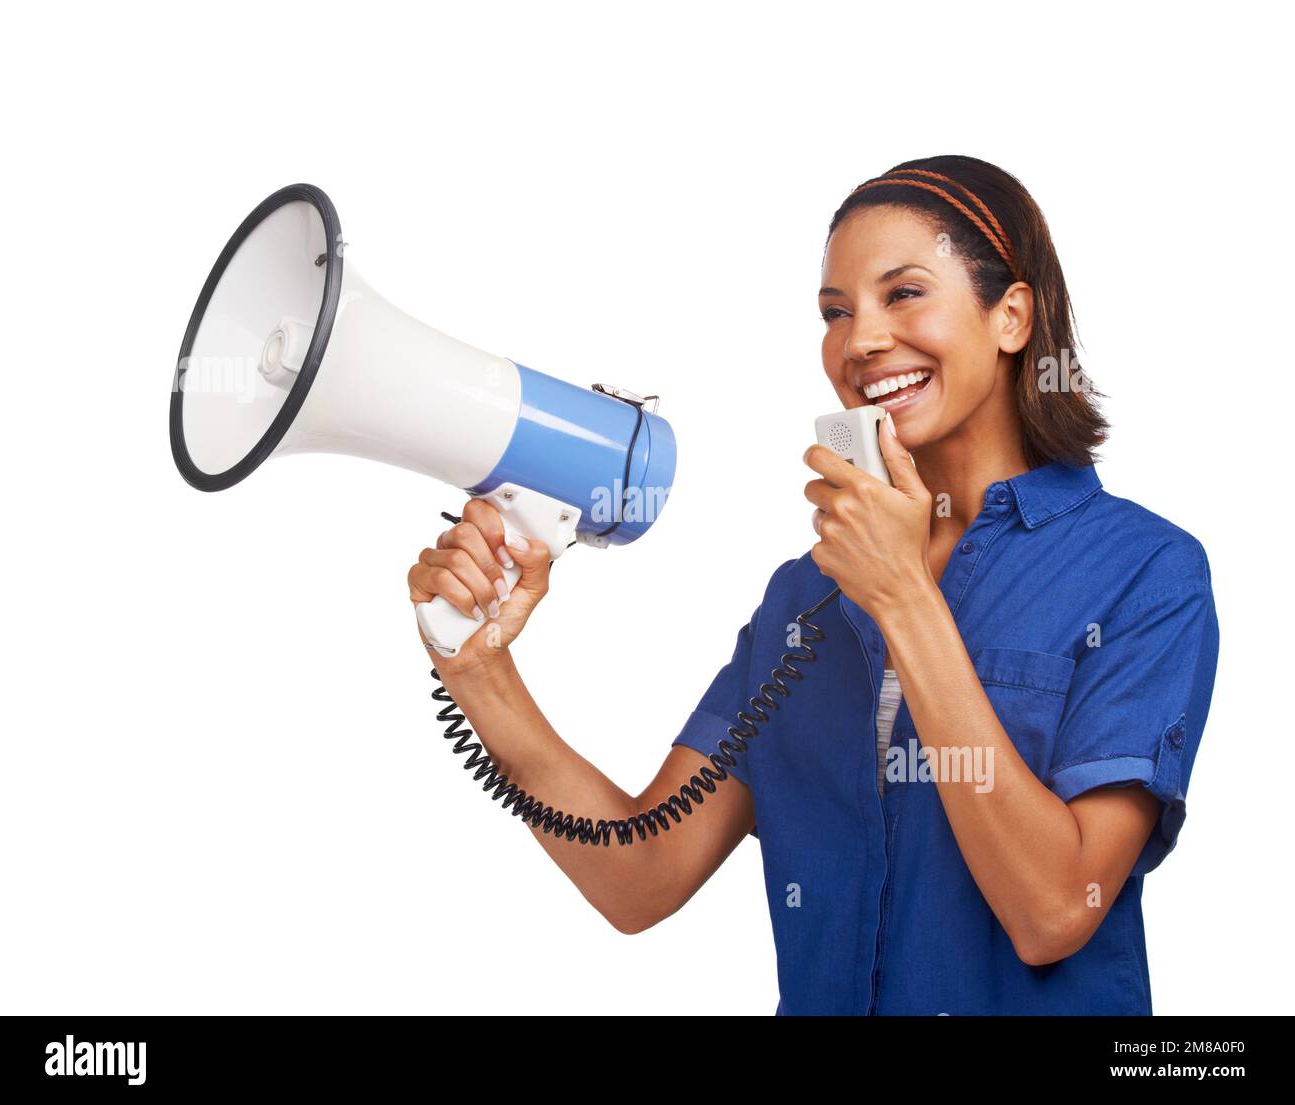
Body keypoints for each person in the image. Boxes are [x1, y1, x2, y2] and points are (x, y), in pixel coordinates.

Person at [406, 155, 1220, 1015]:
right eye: (835, 312)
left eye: (903, 293)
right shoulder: (806, 599)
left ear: (1011, 315)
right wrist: (479, 672)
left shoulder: (1146, 572)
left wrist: (906, 596)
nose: (859, 340)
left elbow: (1056, 910)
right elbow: (641, 875)